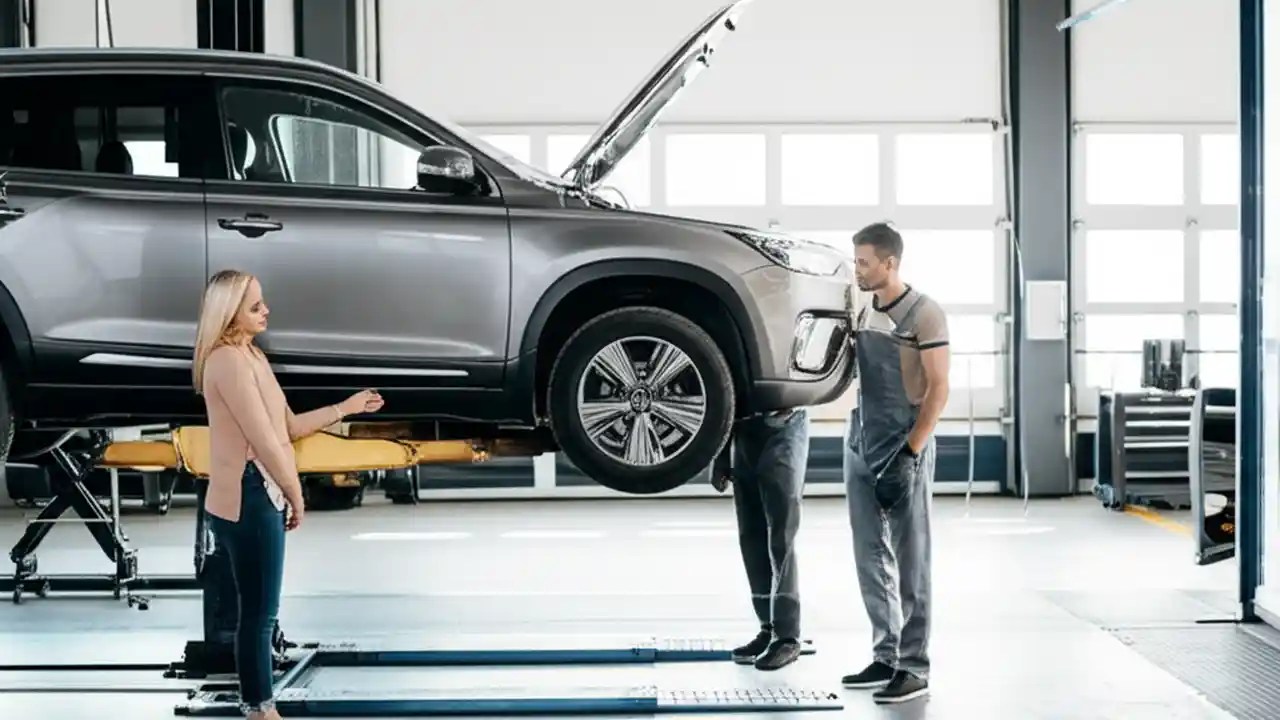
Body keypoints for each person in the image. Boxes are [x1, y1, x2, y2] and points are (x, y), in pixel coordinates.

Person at [192, 269, 385, 720]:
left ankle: (258, 705)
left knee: (260, 612)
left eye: (263, 303)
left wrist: (348, 406)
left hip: (261, 492)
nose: (266, 311)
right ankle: (260, 709)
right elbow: (262, 439)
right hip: (250, 493)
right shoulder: (227, 362)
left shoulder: (252, 358)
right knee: (259, 615)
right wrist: (296, 494)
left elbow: (289, 427)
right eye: (255, 305)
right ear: (230, 312)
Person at [839, 223, 949, 704]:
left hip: (905, 444)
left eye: (864, 262)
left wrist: (911, 453)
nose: (858, 270)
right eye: (856, 261)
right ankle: (885, 655)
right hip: (861, 439)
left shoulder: (925, 314)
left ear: (890, 263)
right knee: (869, 555)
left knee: (911, 559)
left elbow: (939, 386)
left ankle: (914, 665)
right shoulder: (860, 310)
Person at [714, 406, 811, 671]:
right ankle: (768, 629)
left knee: (782, 537)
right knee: (751, 535)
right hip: (744, 431)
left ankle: (788, 637)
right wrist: (721, 456)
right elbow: (726, 395)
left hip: (784, 425)